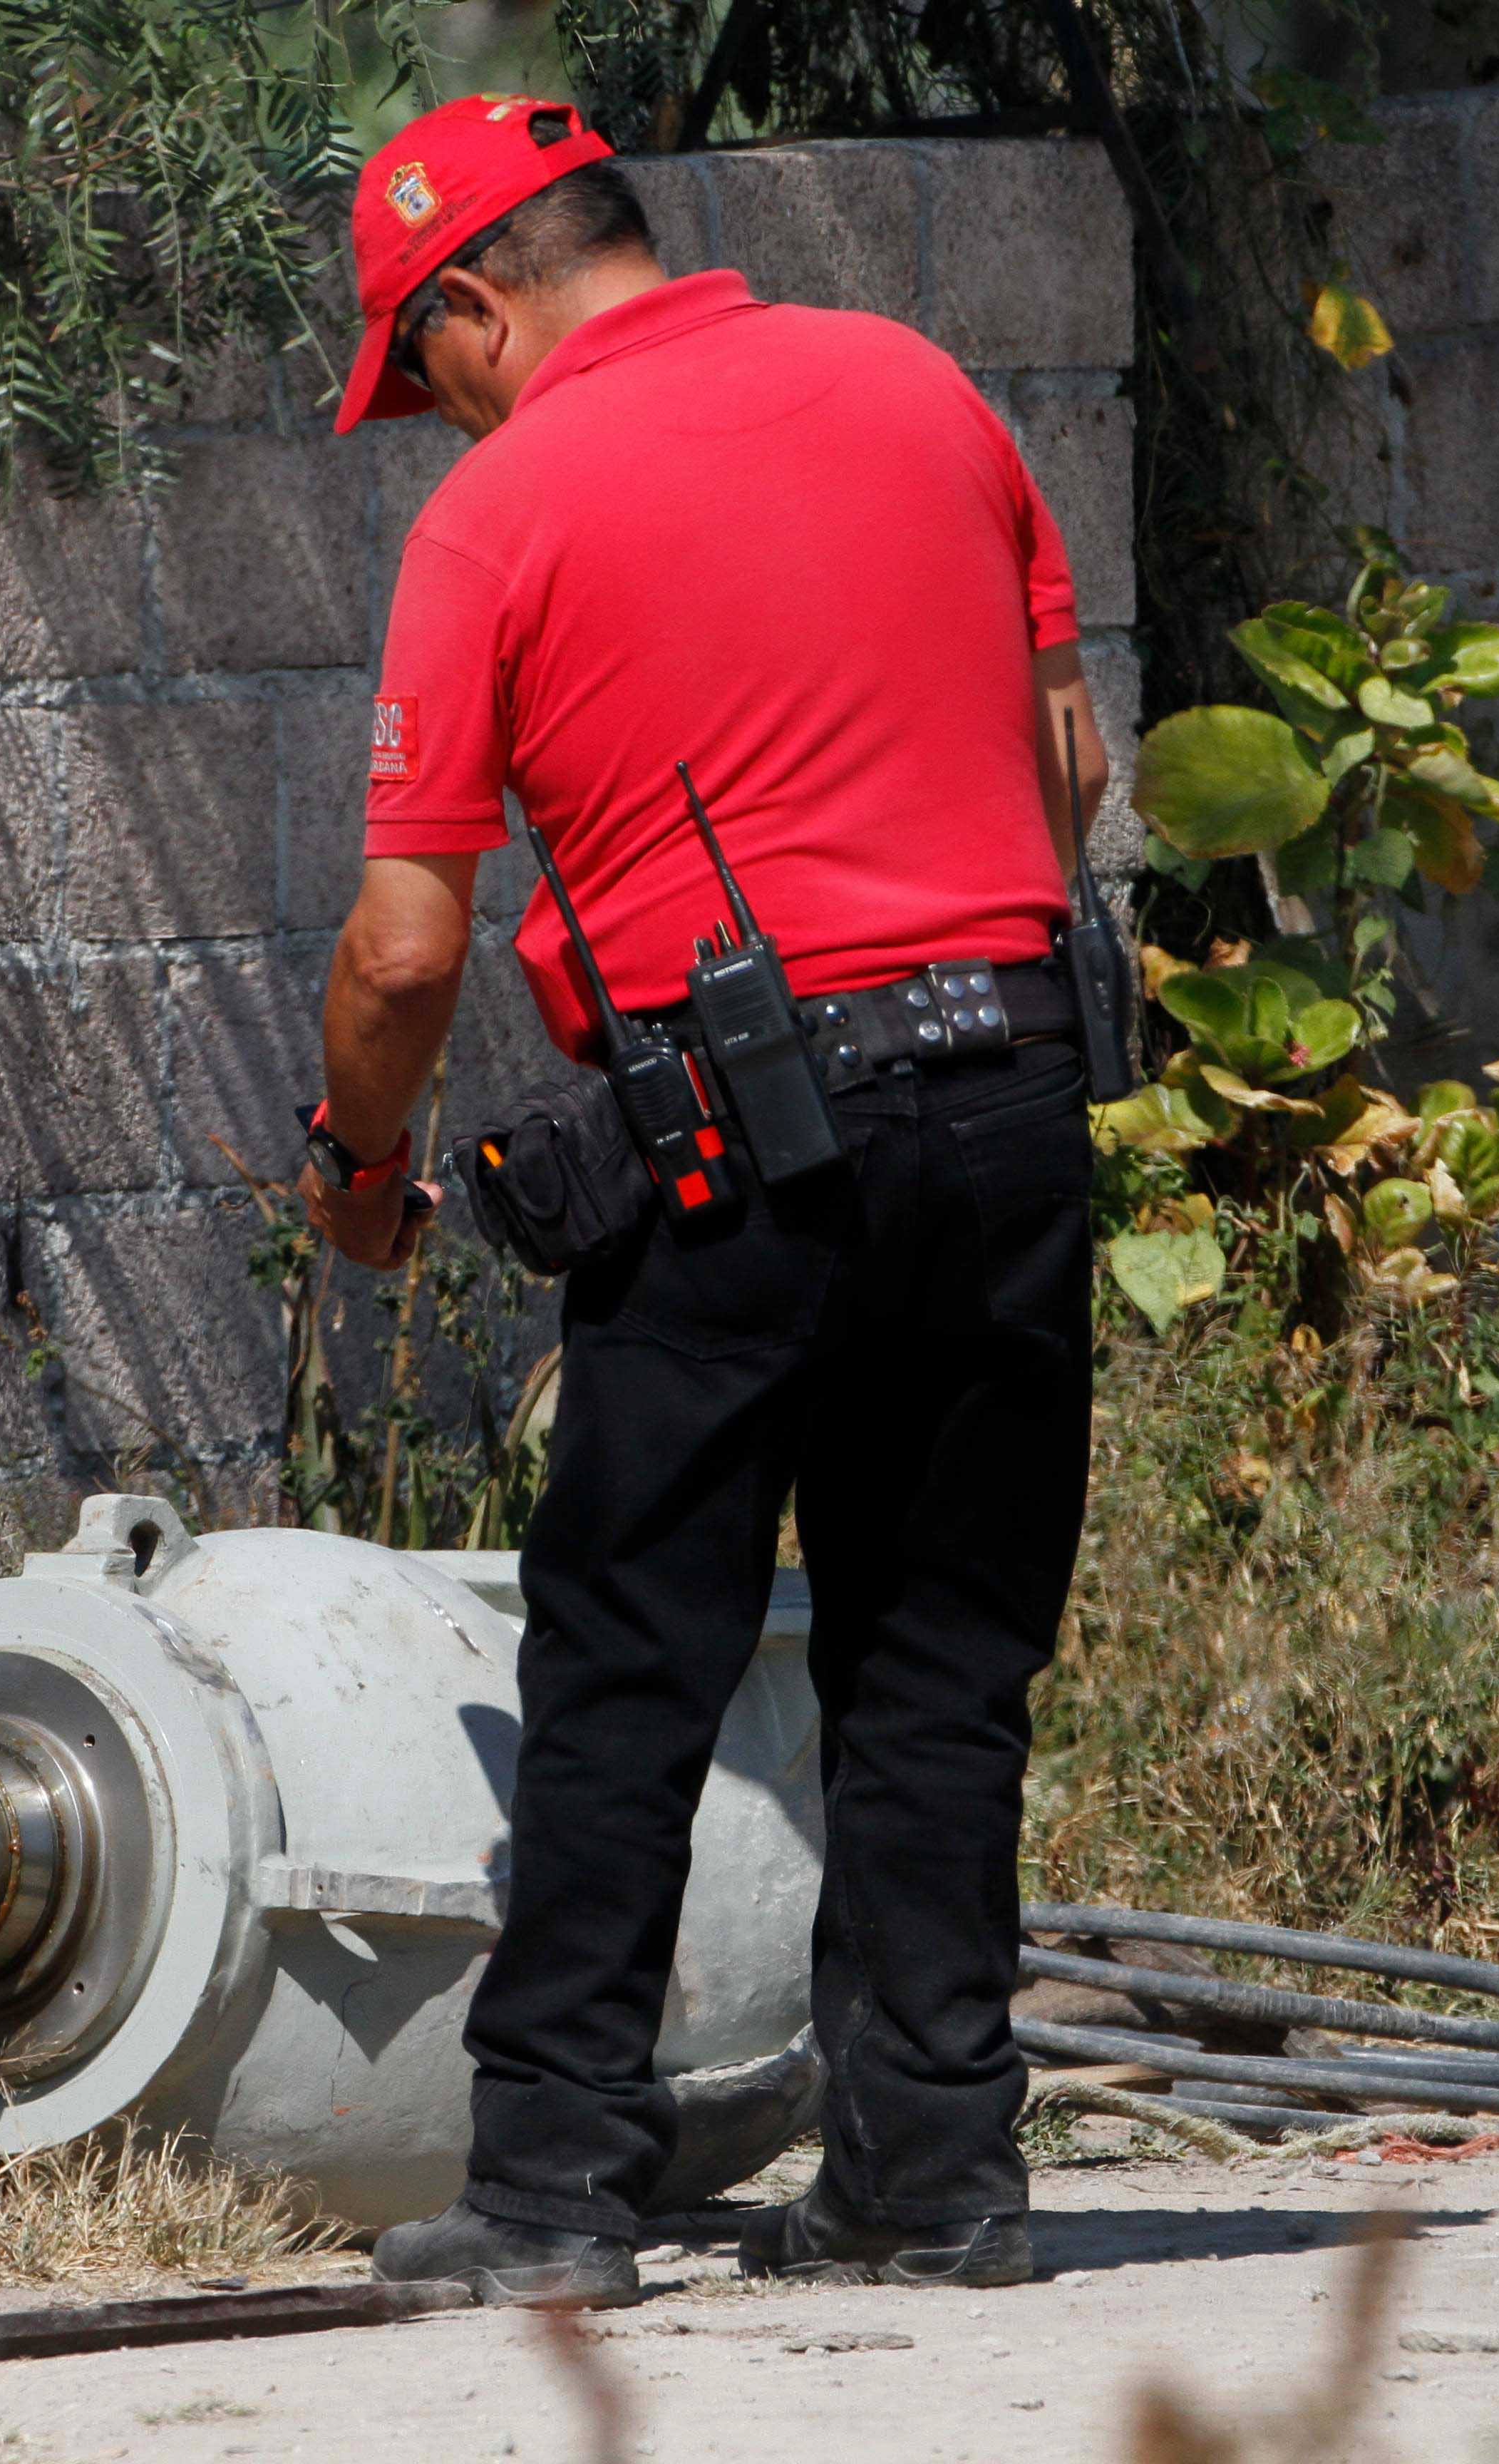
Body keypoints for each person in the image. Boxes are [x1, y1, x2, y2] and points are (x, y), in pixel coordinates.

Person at [289, 91, 1107, 2308]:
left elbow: (403, 950)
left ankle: (554, 2194)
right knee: (940, 1655)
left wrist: (360, 1174)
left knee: (633, 1652)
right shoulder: (923, 387)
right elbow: (1074, 764)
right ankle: (933, 2184)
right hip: (1019, 1088)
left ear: (473, 307)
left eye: (419, 367)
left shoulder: (505, 508)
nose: (428, 414)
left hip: (745, 1145)